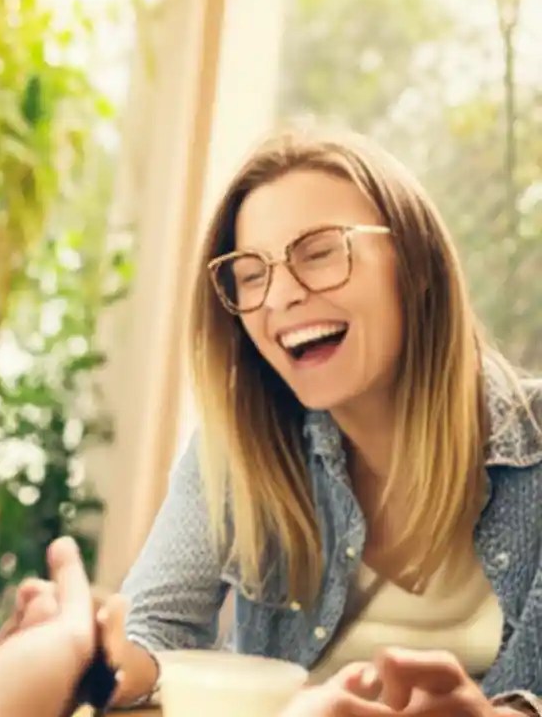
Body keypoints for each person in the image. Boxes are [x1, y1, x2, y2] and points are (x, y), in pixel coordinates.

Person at [79, 129, 542, 714]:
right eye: (251, 275)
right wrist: (99, 657)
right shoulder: (238, 449)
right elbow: (152, 634)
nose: (281, 296)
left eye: (320, 253)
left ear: (418, 265)